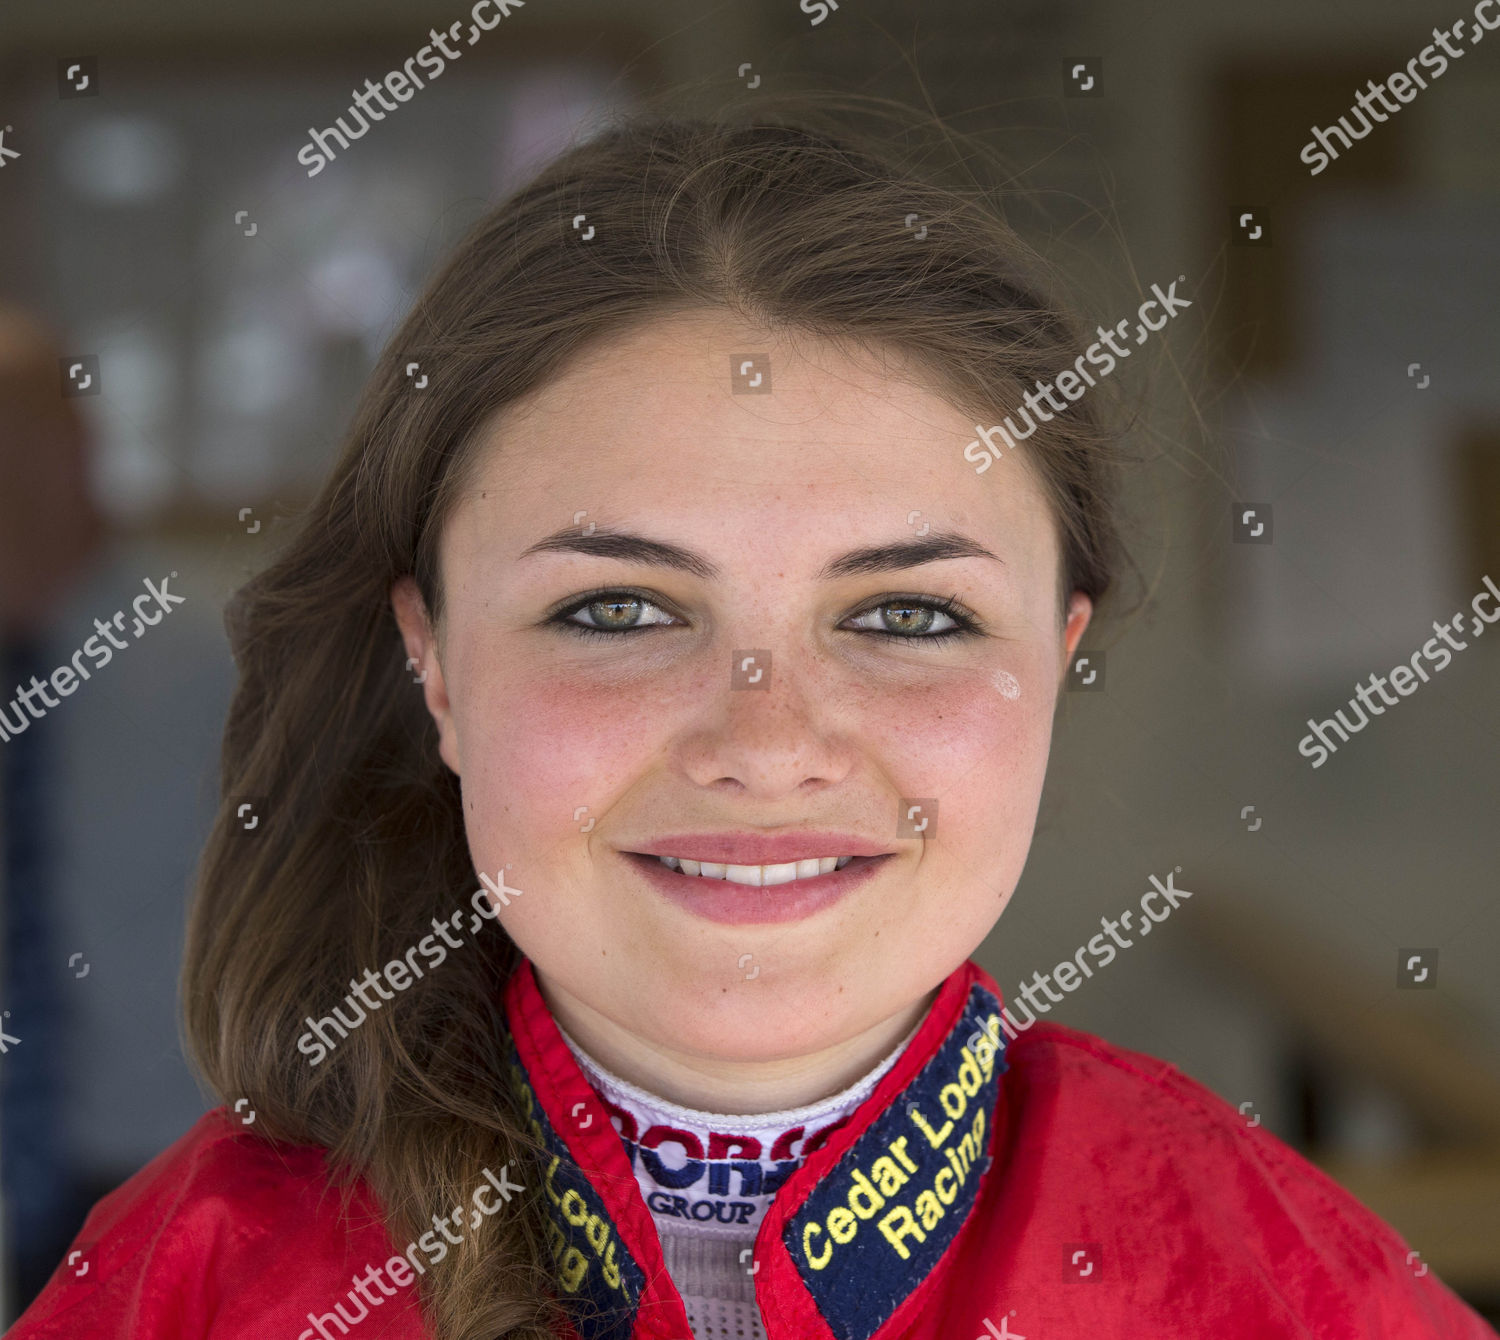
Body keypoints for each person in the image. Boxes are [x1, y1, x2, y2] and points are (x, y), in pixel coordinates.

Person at [8, 93, 1495, 1340]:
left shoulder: (1295, 1291)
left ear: (1055, 655)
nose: (769, 740)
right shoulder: (179, 1287)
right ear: (437, 666)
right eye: (619, 610)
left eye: (908, 616)